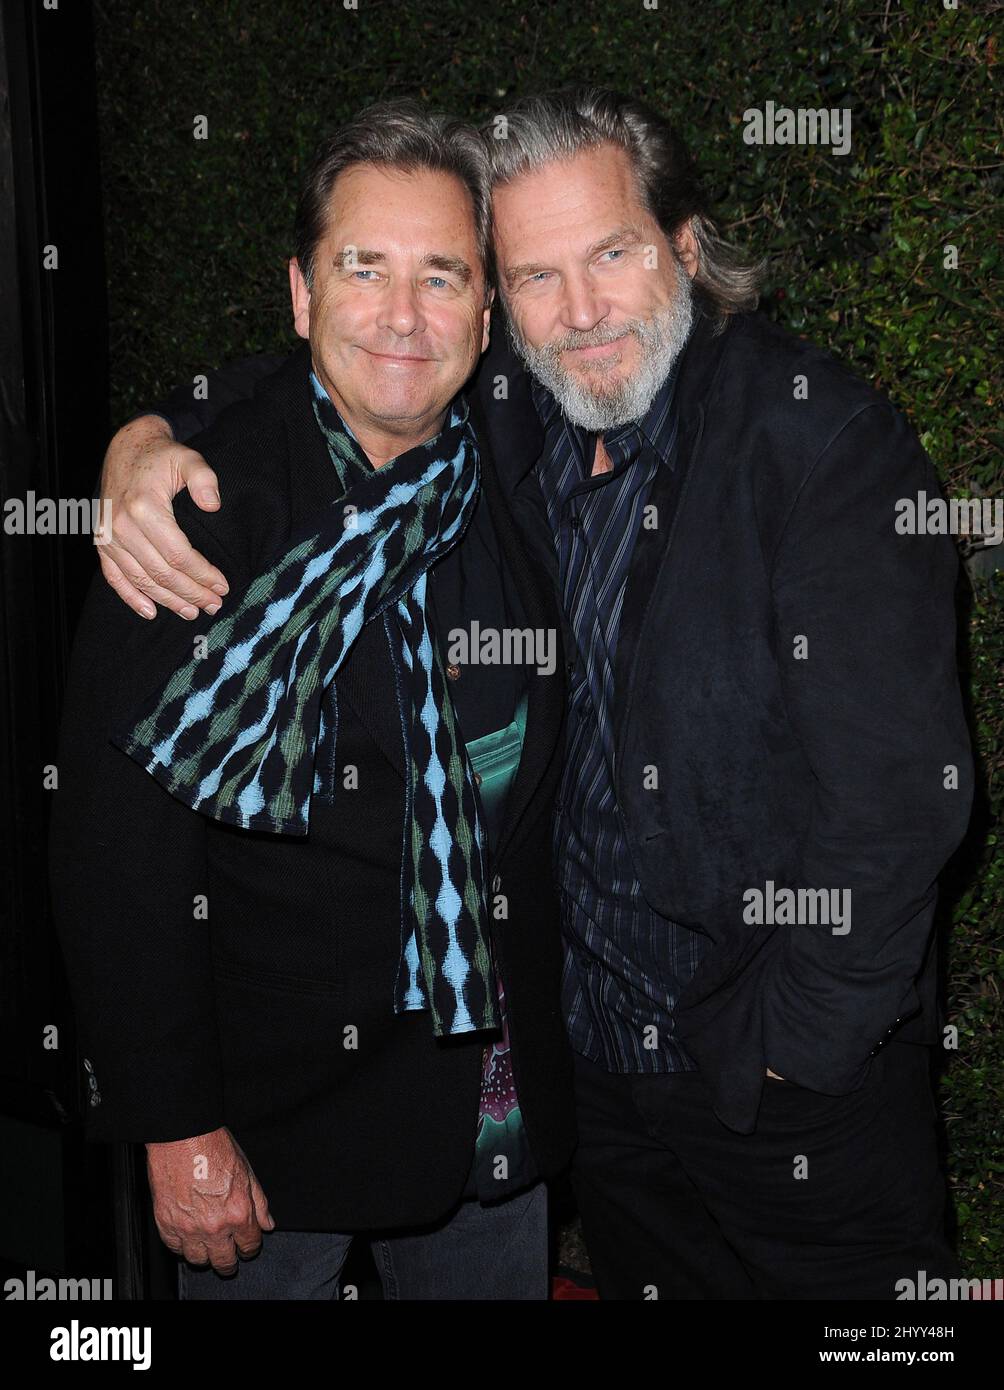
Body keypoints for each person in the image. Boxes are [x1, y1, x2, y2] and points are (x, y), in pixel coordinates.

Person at [95, 88, 973, 1300]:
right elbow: (361, 359)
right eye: (538, 276)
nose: (582, 312)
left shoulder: (816, 446)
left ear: (681, 246)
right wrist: (145, 439)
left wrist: (794, 1052)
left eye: (610, 254)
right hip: (596, 1081)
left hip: (777, 1081)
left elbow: (898, 804)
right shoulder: (523, 425)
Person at [49, 99, 575, 1302]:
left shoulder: (516, 461)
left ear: (485, 315)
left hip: (491, 1120)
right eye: (362, 268)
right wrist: (174, 1129)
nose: (402, 315)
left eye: (441, 277)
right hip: (262, 1146)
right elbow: (113, 856)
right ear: (300, 295)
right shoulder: (197, 511)